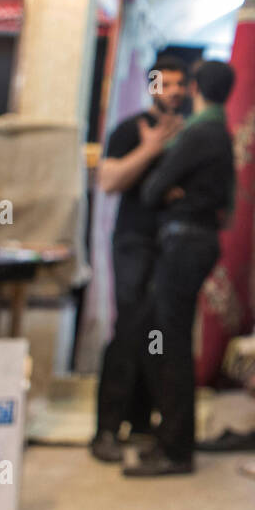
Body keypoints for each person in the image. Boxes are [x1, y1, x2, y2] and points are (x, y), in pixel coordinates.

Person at [124, 59, 236, 477]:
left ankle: (175, 449)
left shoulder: (198, 133)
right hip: (199, 241)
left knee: (168, 344)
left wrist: (168, 189)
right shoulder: (220, 132)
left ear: (194, 89)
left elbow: (152, 190)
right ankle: (174, 438)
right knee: (168, 339)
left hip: (184, 242)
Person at [89, 55, 187, 463]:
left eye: (180, 85)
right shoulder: (131, 130)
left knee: (161, 335)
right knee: (129, 331)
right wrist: (148, 151)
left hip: (173, 248)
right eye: (166, 84)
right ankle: (106, 431)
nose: (174, 91)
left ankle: (144, 424)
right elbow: (108, 180)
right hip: (133, 242)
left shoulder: (191, 133)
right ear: (152, 86)